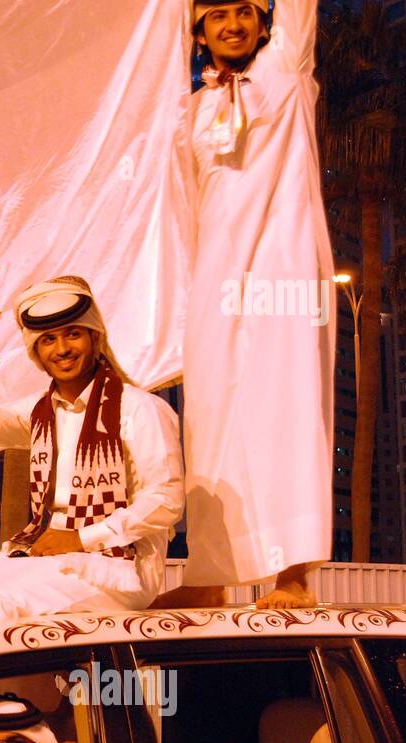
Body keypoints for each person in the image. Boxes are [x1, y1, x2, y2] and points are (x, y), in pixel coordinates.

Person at [156, 0, 334, 610]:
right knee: (210, 420)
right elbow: (181, 209)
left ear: (264, 22)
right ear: (199, 34)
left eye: (243, 12)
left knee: (285, 411)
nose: (231, 25)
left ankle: (293, 576)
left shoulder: (288, 67)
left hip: (283, 272)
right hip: (215, 277)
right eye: (216, 16)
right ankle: (211, 572)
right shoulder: (188, 112)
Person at [0, 277, 185, 627]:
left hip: (116, 566)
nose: (61, 349)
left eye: (72, 334)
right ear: (36, 352)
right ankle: (9, 686)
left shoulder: (140, 409)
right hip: (41, 554)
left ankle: (16, 684)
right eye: (48, 340)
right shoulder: (41, 414)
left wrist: (81, 538)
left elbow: (166, 499)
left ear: (94, 337)